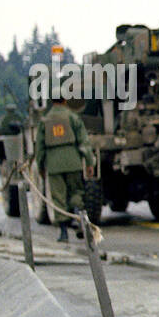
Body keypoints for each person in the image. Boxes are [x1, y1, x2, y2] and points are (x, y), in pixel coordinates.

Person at [34, 98, 93, 242]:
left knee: (58, 197)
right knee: (76, 192)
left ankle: (64, 232)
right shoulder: (73, 117)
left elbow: (39, 148)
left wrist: (40, 166)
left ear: (51, 101)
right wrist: (90, 162)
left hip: (54, 163)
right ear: (65, 100)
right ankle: (79, 221)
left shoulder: (45, 120)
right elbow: (84, 142)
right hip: (73, 161)